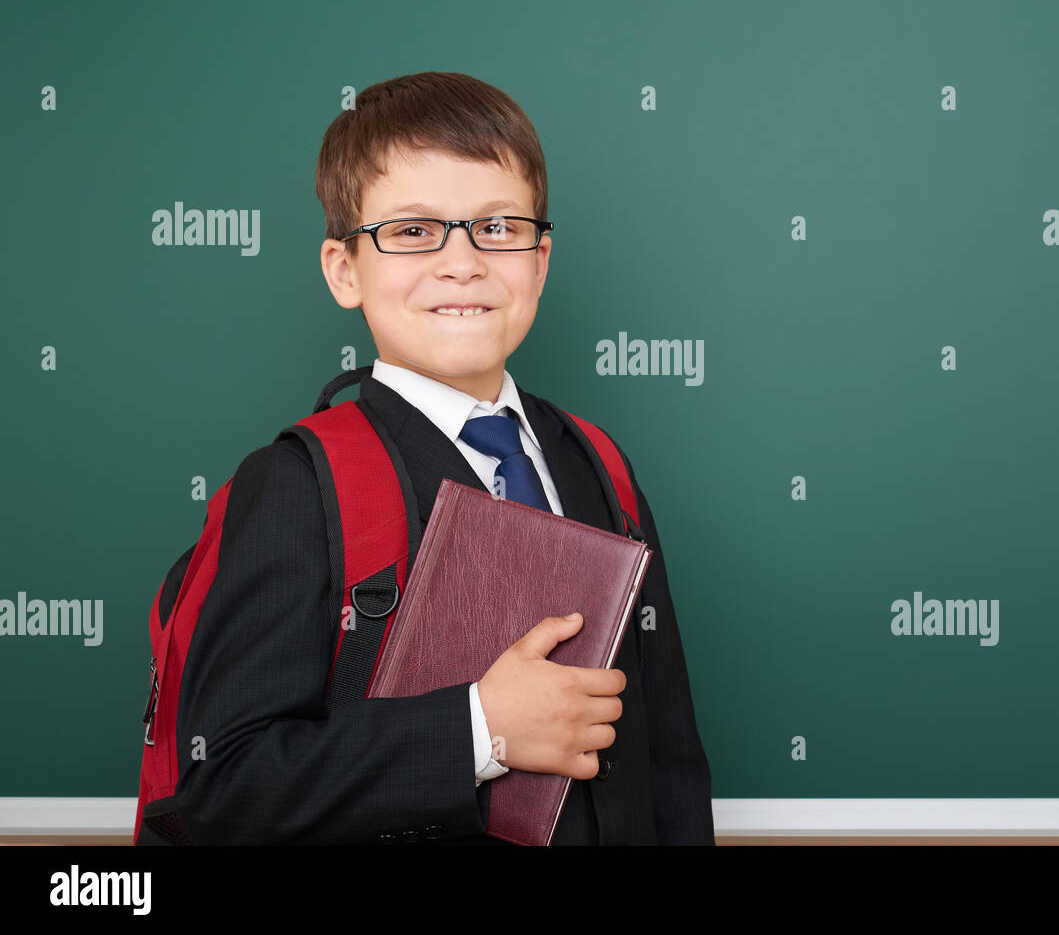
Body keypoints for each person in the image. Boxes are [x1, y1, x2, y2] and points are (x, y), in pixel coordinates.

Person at [142, 71, 713, 845]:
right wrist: (480, 727)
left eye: (498, 227)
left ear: (540, 260)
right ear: (345, 270)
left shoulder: (600, 464)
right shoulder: (298, 486)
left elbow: (669, 763)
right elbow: (227, 786)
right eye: (413, 231)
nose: (462, 261)